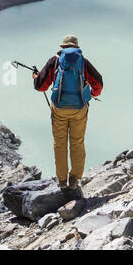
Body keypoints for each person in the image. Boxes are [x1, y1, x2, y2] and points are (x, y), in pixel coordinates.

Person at [32, 35, 103, 190]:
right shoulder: (83, 62)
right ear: (76, 46)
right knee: (77, 142)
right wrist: (89, 94)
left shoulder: (55, 61)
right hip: (79, 108)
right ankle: (75, 180)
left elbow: (40, 86)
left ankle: (62, 181)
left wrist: (35, 76)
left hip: (59, 108)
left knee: (60, 144)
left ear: (62, 47)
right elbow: (98, 84)